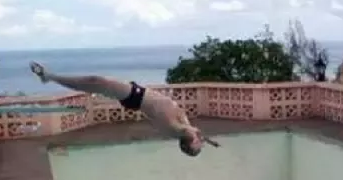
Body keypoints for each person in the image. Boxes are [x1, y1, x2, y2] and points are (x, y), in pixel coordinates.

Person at [29, 61, 213, 156]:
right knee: (95, 82)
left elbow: (185, 131)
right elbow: (190, 130)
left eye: (197, 143)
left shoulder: (177, 129)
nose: (200, 139)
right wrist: (199, 136)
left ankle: (50, 77)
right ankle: (50, 77)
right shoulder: (183, 125)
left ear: (189, 141)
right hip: (138, 94)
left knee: (96, 81)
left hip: (136, 97)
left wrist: (193, 135)